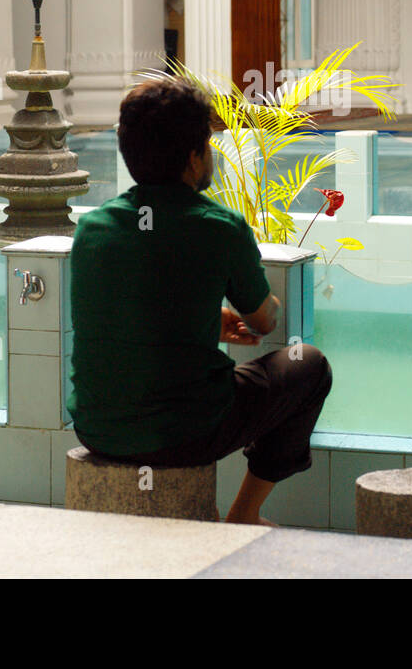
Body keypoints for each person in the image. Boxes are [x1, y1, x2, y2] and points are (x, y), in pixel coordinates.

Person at [67, 78, 333, 525]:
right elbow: (265, 321)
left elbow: (129, 315)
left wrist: (207, 321)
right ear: (193, 158)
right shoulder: (217, 226)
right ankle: (245, 513)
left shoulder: (92, 227)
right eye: (208, 143)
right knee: (308, 364)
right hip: (184, 432)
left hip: (97, 428)